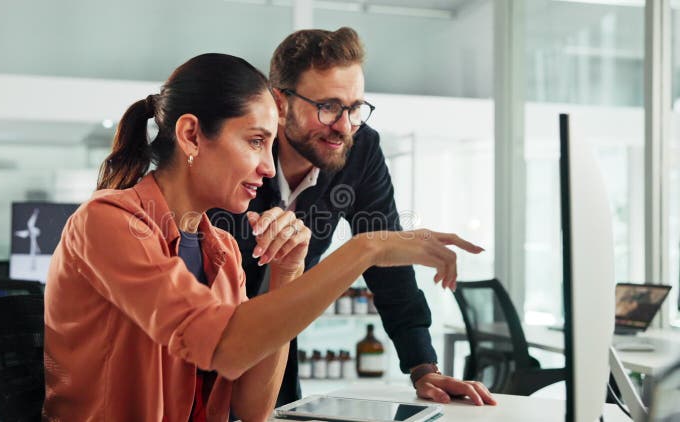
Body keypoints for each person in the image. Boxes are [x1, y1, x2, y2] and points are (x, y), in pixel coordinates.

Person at [43, 53, 489, 421]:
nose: (268, 168)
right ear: (191, 135)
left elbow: (253, 408)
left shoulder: (222, 251)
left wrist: (286, 271)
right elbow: (226, 348)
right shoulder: (108, 222)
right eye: (255, 141)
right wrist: (365, 248)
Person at [209, 27, 497, 407]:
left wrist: (424, 369)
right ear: (280, 103)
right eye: (328, 107)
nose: (344, 126)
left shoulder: (360, 149)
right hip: (204, 342)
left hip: (277, 345)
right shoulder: (235, 149)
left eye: (355, 108)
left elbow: (388, 264)